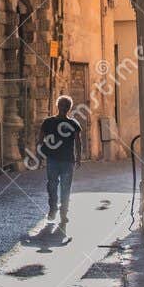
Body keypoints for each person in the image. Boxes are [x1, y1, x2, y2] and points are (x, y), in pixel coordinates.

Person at [38, 95, 82, 229]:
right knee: (52, 185)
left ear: (69, 108)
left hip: (68, 161)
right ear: (57, 106)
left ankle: (63, 213)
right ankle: (52, 209)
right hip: (52, 160)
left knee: (65, 187)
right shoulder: (48, 122)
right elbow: (40, 139)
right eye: (62, 105)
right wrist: (39, 155)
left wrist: (78, 156)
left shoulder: (74, 123)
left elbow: (78, 142)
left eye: (66, 106)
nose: (64, 108)